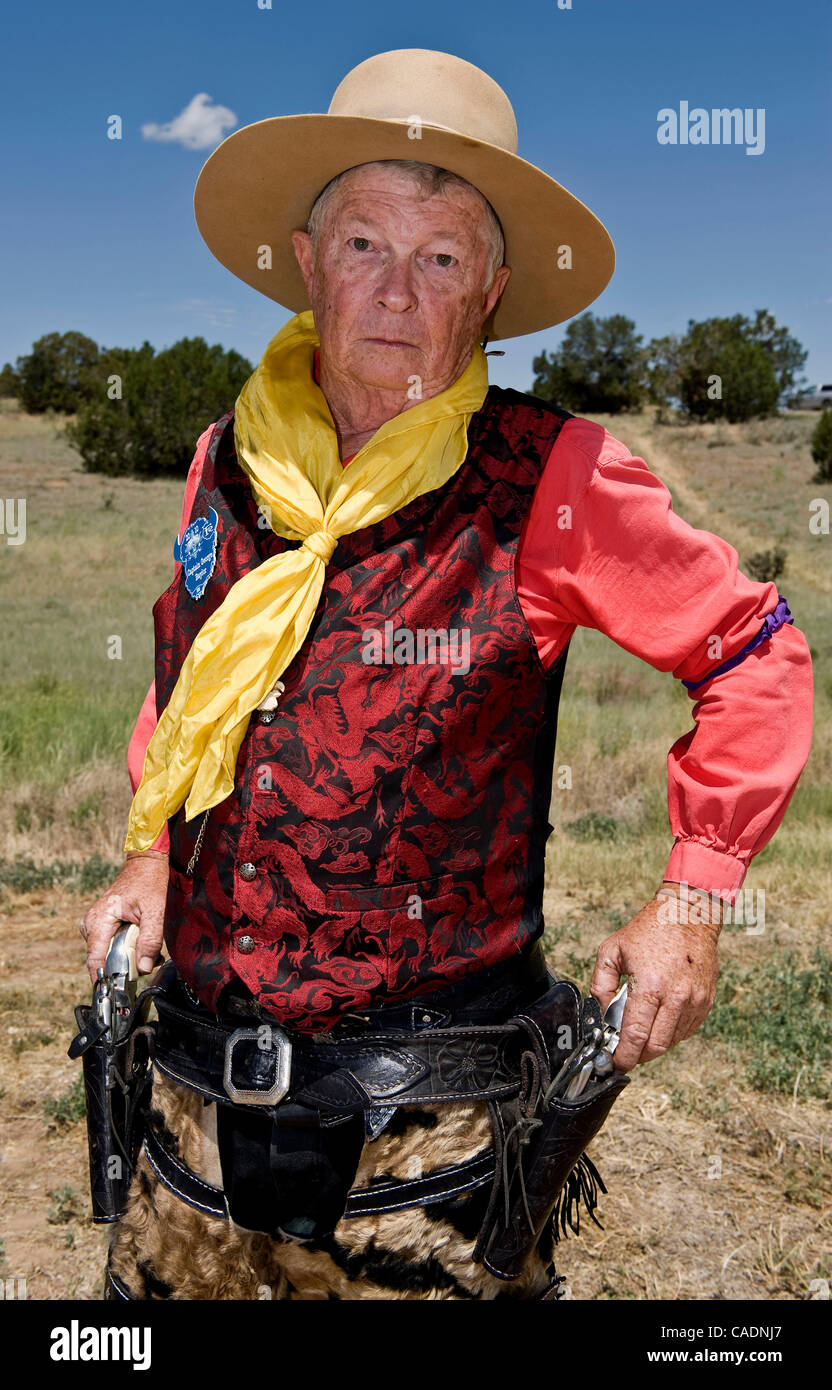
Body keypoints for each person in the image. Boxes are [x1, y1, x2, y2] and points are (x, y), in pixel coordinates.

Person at [80, 49, 813, 1301]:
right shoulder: (230, 456)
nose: (395, 293)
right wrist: (154, 846)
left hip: (430, 1126)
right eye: (365, 243)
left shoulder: (556, 474)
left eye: (439, 258)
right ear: (307, 262)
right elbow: (195, 667)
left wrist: (693, 901)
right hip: (195, 1095)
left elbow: (754, 652)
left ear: (492, 289)